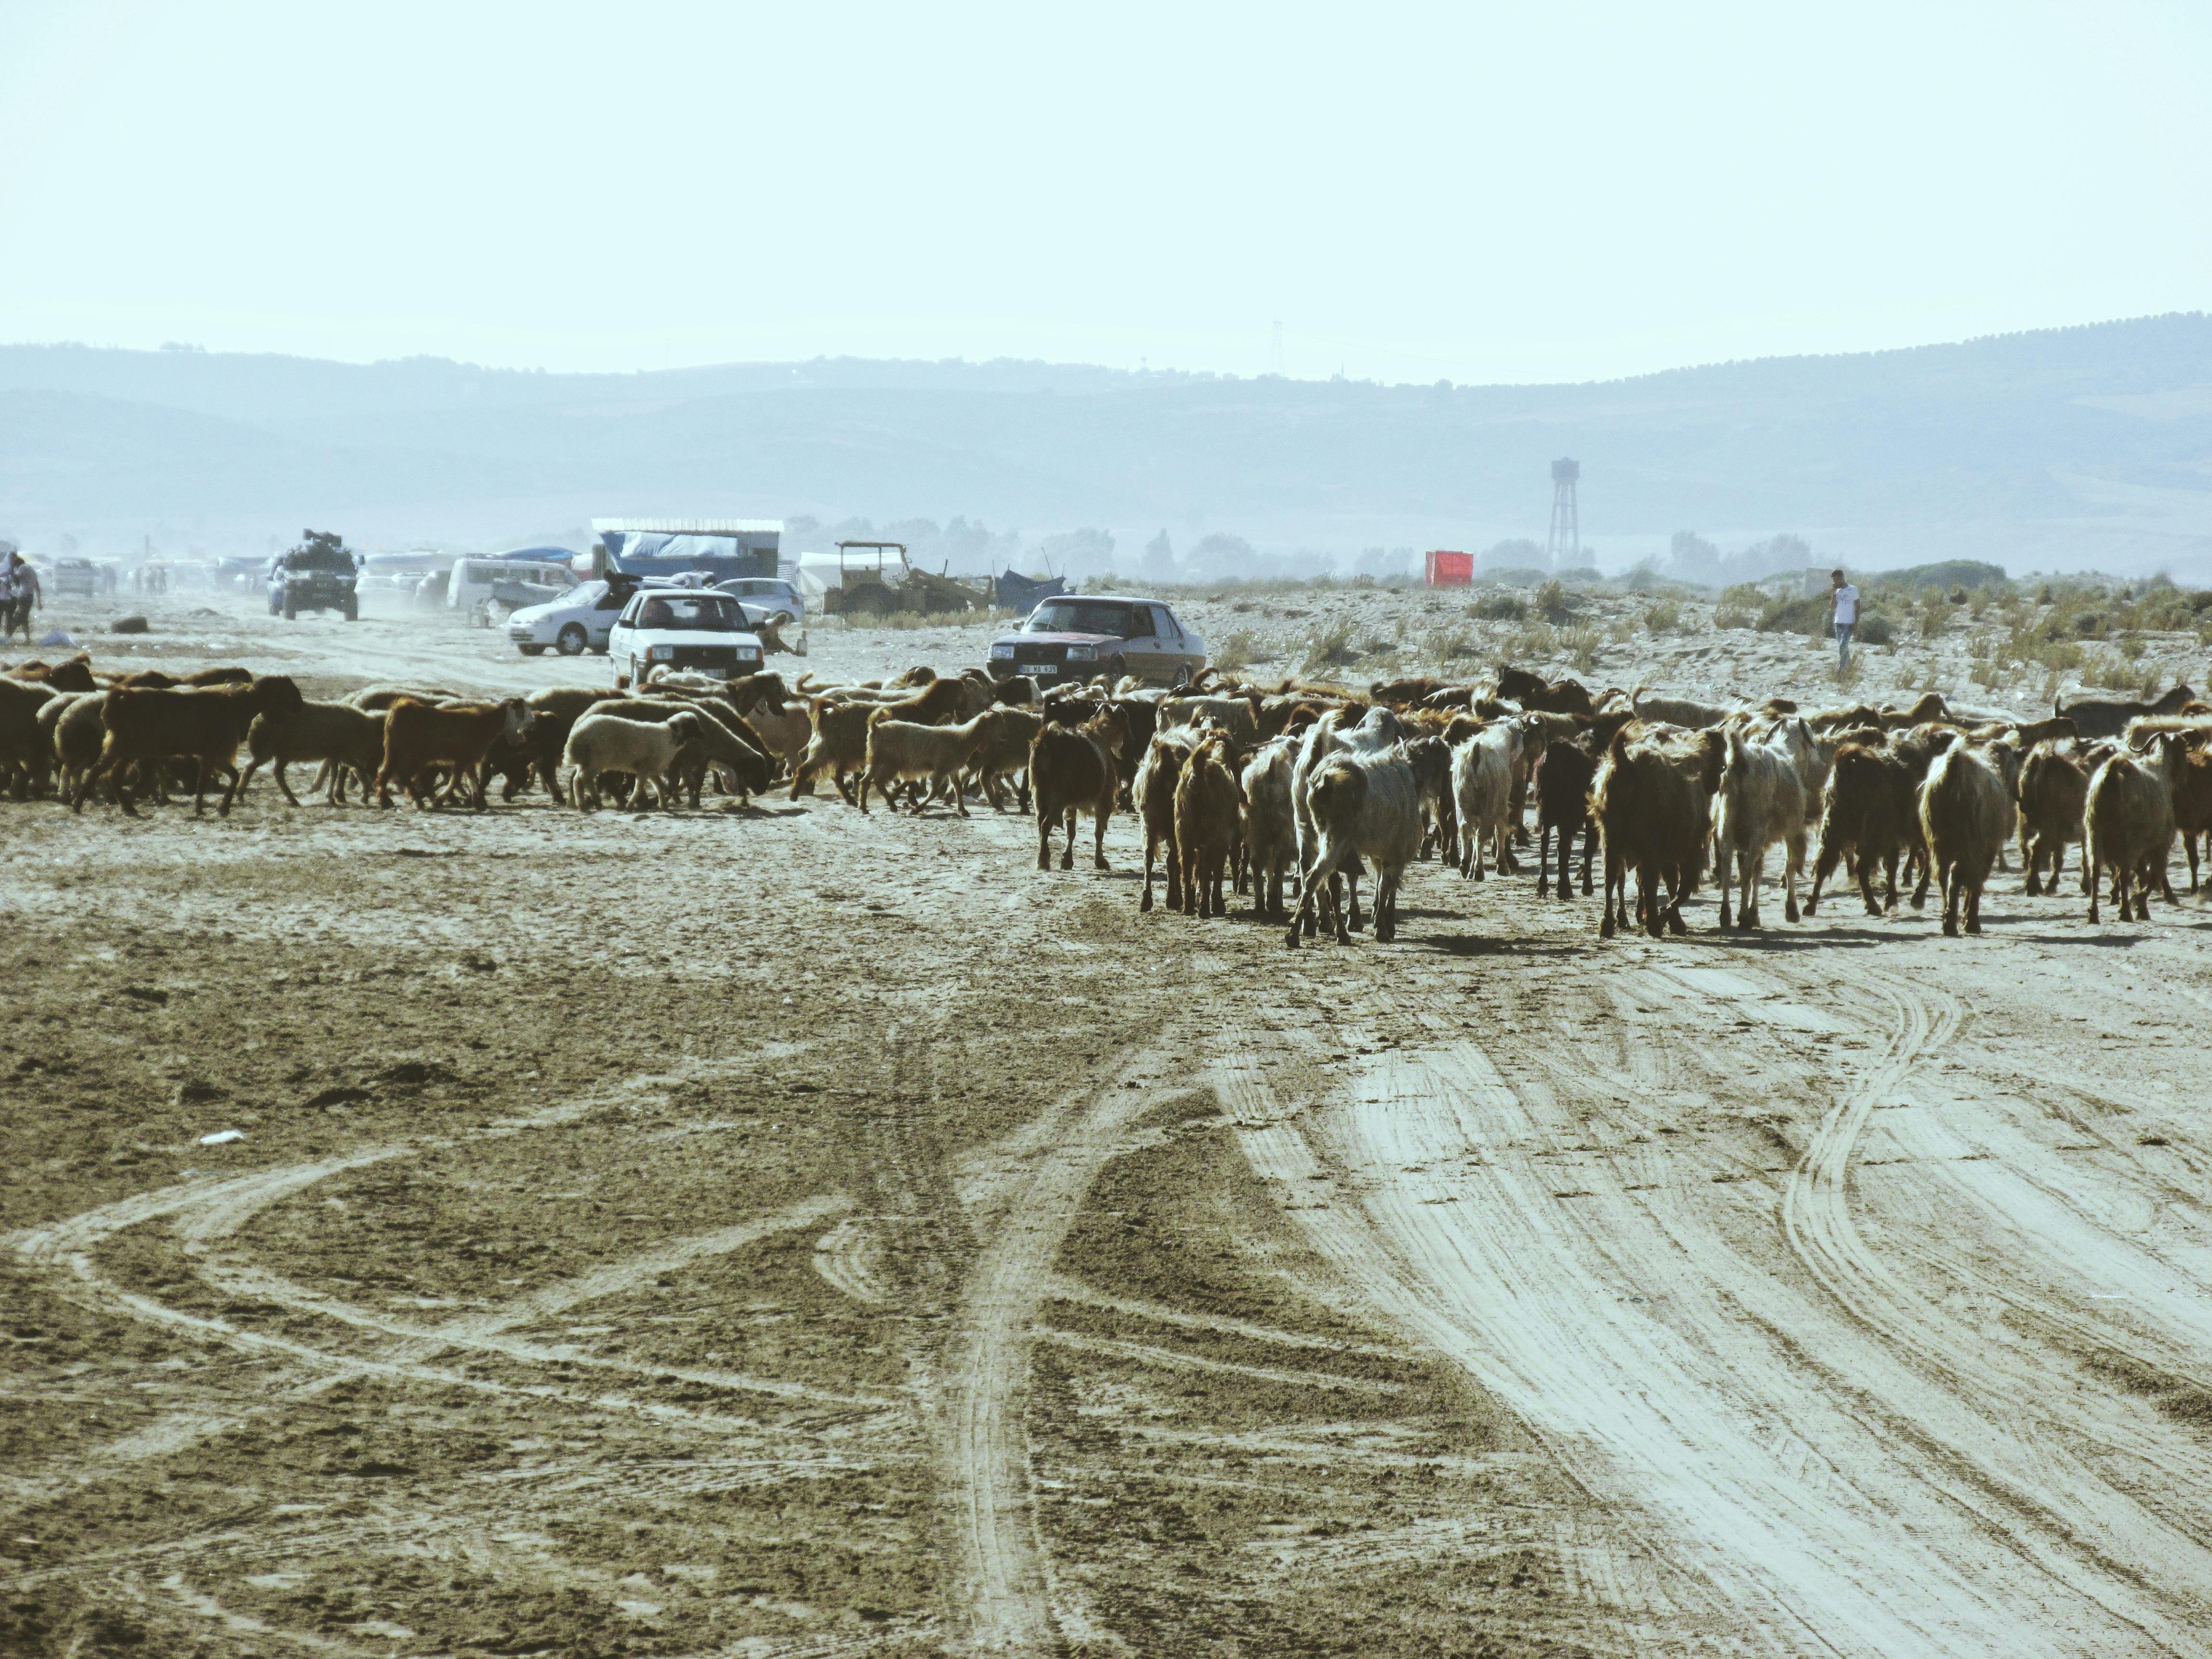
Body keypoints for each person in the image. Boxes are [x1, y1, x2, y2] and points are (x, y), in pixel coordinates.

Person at [1829, 567, 1859, 673]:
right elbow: (1833, 606)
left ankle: (1841, 670)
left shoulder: (1853, 589)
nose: (1835, 582)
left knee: (1843, 646)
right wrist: (1833, 593)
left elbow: (1858, 607)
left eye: (1836, 579)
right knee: (1843, 647)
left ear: (1842, 578)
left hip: (1849, 623)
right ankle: (1850, 666)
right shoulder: (1837, 592)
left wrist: (1856, 624)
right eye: (1834, 580)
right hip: (1838, 623)